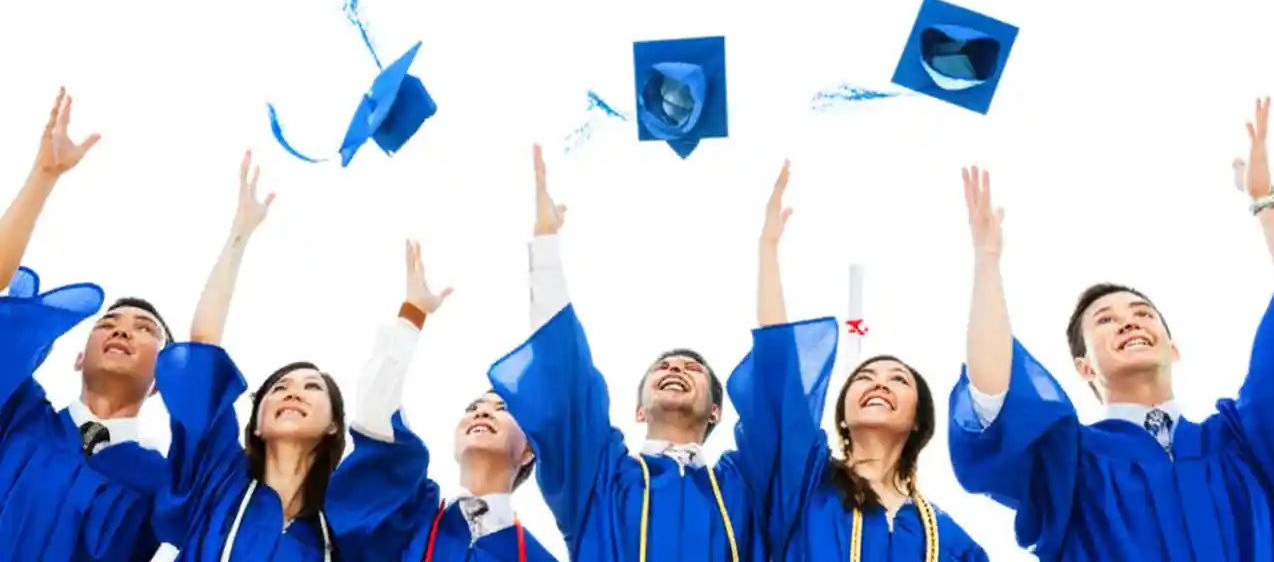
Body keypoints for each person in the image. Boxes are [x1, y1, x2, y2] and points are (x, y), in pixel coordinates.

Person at [948, 98, 1274, 560]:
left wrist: (1267, 206)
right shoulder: (1070, 464)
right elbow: (990, 398)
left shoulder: (1242, 439)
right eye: (1105, 320)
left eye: (1143, 313)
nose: (1129, 320)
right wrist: (986, 261)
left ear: (1174, 347)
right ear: (1084, 367)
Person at [485, 144, 767, 562]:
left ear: (715, 412)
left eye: (692, 368)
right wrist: (545, 246)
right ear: (638, 410)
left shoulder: (743, 486)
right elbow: (566, 380)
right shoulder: (600, 478)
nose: (675, 368)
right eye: (664, 367)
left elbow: (783, 418)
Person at [728, 160, 987, 561]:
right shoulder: (804, 486)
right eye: (865, 377)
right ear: (843, 414)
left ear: (918, 419)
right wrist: (768, 249)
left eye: (899, 380)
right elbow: (780, 373)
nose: (879, 383)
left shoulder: (948, 540)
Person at [0, 88, 172, 561]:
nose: (122, 330)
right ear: (79, 356)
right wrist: (43, 175)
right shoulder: (16, 415)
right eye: (109, 323)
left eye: (146, 329)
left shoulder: (161, 482)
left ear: (162, 380)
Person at [152, 151, 347, 560]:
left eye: (312, 387)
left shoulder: (339, 530)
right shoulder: (219, 476)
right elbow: (204, 343)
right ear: (256, 421)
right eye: (279, 388)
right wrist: (240, 232)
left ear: (333, 425)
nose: (293, 393)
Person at [325, 239, 559, 561]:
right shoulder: (411, 515)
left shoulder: (535, 557)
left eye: (502, 409)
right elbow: (376, 421)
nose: (482, 413)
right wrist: (412, 316)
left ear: (530, 450)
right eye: (473, 408)